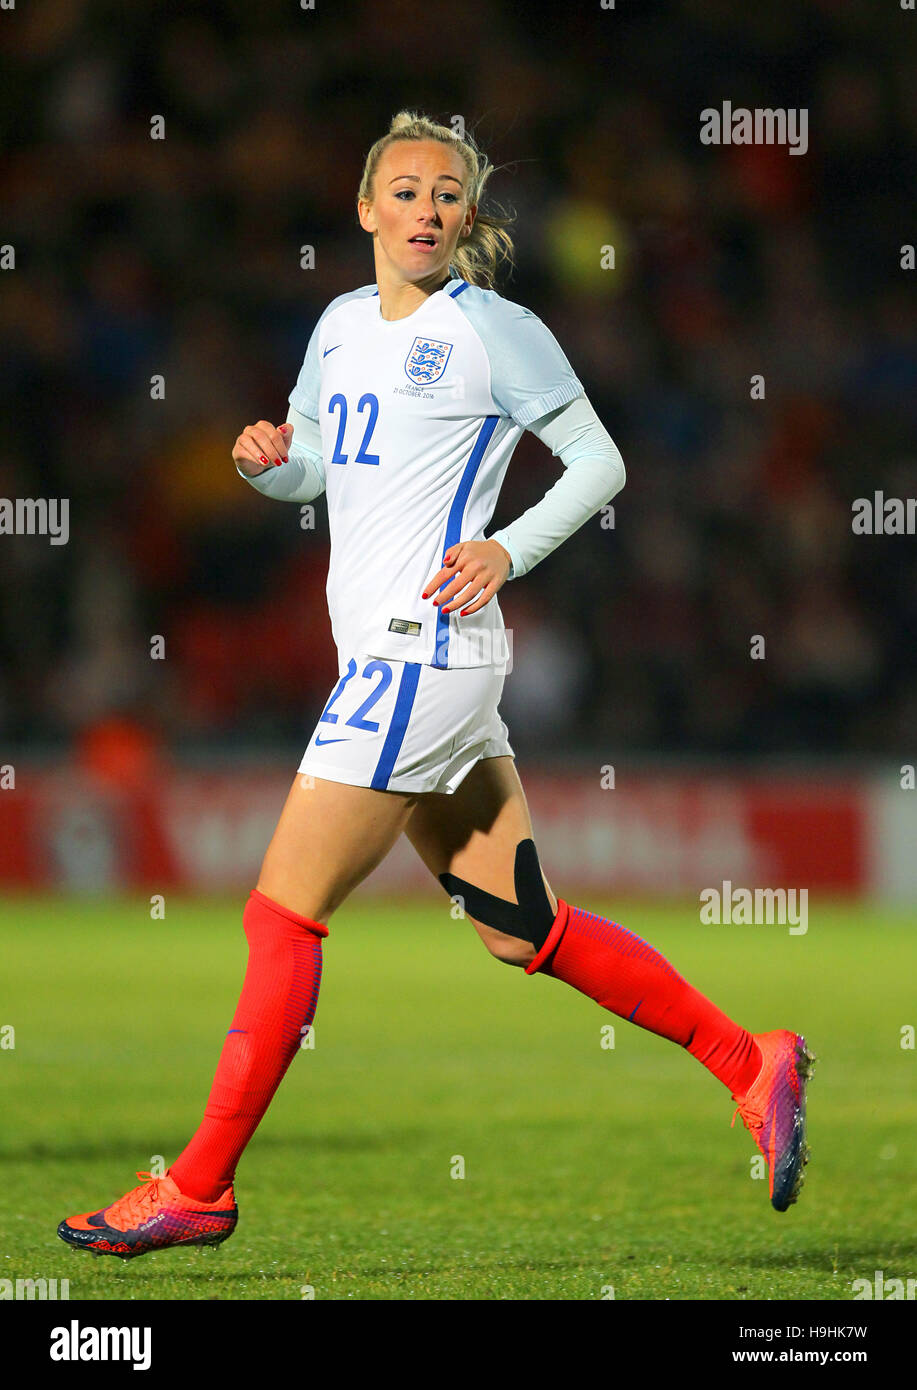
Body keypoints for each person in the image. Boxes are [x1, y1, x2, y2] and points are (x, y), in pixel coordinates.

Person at [58, 111, 814, 1261]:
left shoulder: (494, 330)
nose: (425, 208)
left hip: (421, 653)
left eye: (446, 194)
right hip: (411, 662)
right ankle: (748, 1058)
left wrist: (507, 548)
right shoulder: (336, 326)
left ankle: (198, 1185)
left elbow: (599, 460)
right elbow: (319, 465)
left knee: (280, 913)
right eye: (405, 190)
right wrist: (267, 465)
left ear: (465, 218)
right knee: (522, 929)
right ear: (366, 208)